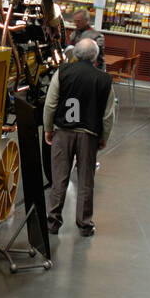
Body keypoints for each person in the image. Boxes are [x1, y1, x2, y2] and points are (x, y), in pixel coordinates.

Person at [43, 38, 116, 237]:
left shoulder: (62, 72)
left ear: (75, 54)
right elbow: (109, 115)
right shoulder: (104, 79)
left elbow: (50, 104)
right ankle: (84, 224)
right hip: (89, 134)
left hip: (63, 132)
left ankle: (52, 222)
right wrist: (104, 137)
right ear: (95, 57)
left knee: (59, 178)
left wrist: (48, 128)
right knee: (86, 180)